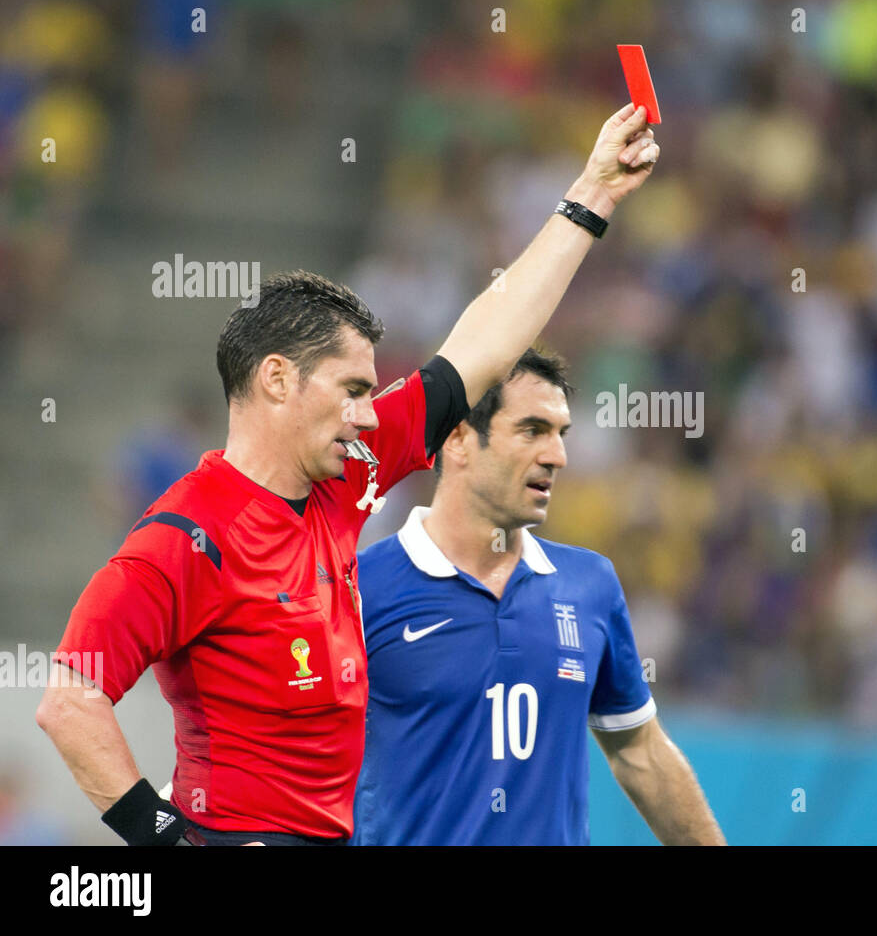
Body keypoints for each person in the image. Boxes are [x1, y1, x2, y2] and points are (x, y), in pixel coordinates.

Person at [36, 104, 662, 846]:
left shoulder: (346, 479)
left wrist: (589, 198)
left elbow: (482, 346)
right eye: (354, 390)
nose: (370, 417)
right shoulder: (186, 536)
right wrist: (169, 840)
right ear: (276, 379)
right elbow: (70, 699)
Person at [351, 349, 725, 845]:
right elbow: (297, 763)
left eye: (560, 434)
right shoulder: (360, 588)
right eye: (532, 431)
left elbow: (641, 752)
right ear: (458, 437)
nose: (557, 456)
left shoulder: (589, 584)